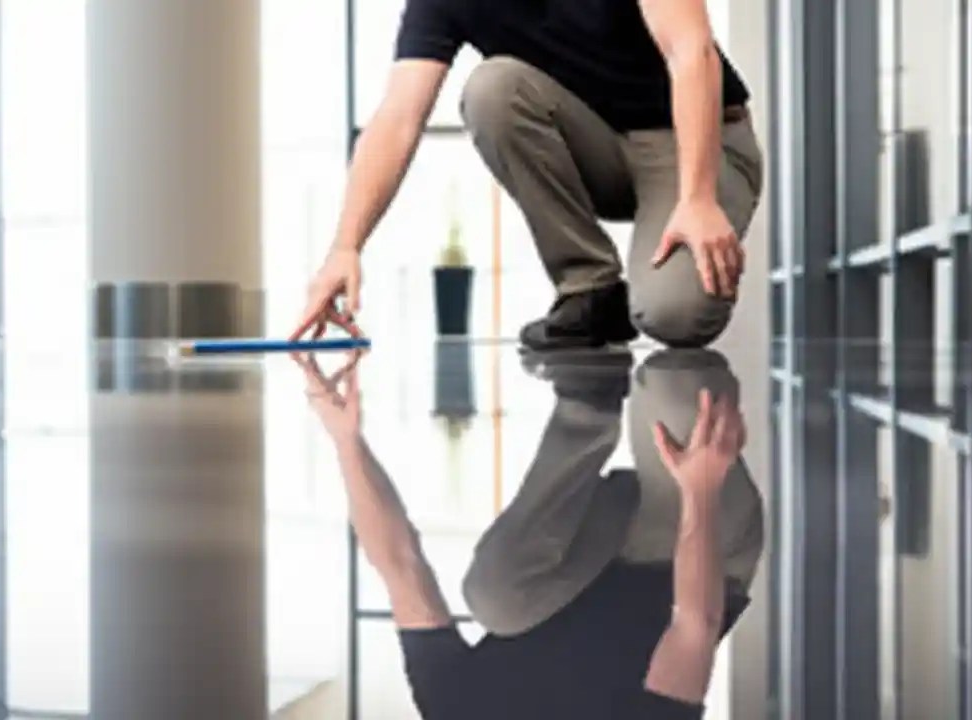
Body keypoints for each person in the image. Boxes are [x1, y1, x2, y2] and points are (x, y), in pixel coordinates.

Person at [294, 349, 764, 718]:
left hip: (586, 550)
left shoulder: (452, 711)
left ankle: (589, 397)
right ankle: (676, 302)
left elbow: (400, 565)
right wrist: (700, 487)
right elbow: (693, 625)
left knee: (493, 597)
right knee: (677, 390)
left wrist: (345, 439)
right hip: (691, 553)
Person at [291, 0, 764, 350]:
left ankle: (681, 226)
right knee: (492, 89)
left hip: (693, 144)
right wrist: (345, 246)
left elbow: (691, 51)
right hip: (598, 145)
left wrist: (699, 197)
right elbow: (397, 117)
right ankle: (589, 290)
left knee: (674, 317)